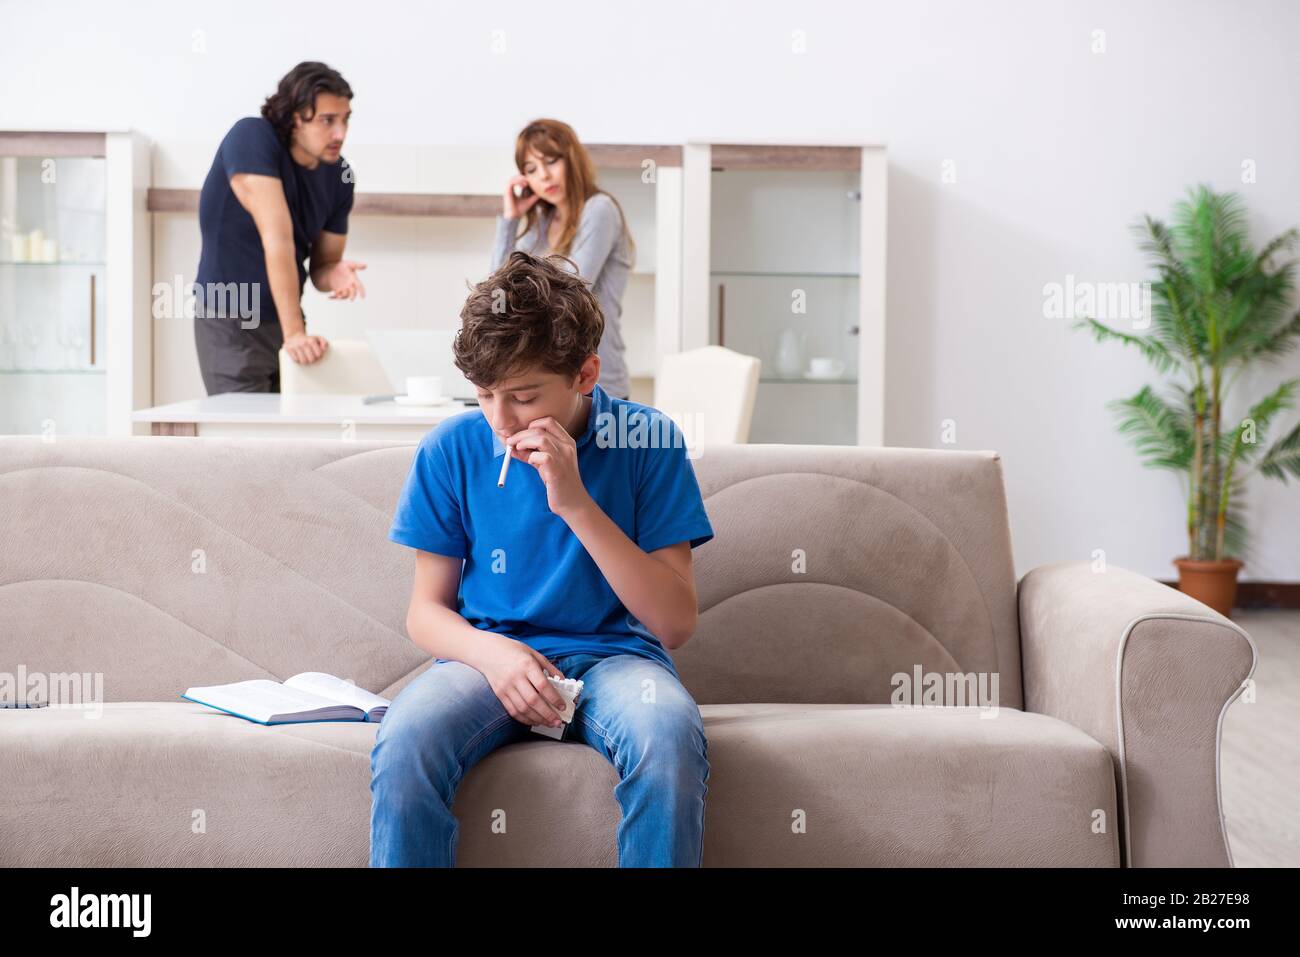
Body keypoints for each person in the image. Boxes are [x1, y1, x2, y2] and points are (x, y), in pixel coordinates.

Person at [371, 251, 714, 867]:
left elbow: (675, 623)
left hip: (620, 659)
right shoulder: (450, 449)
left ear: (585, 375)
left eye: (524, 397)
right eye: (484, 396)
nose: (501, 421)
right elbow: (426, 612)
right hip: (489, 657)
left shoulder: (648, 440)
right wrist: (492, 654)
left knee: (666, 739)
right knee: (405, 740)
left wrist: (577, 504)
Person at [192, 61, 366, 394]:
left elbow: (322, 266)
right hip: (230, 317)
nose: (340, 133)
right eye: (327, 120)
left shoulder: (340, 175)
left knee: (285, 435)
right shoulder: (251, 137)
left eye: (345, 120)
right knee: (243, 439)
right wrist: (295, 334)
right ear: (293, 117)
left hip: (282, 317)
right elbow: (278, 239)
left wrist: (336, 274)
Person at [491, 118, 635, 400]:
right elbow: (498, 293)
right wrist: (510, 220)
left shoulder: (599, 210)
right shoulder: (542, 224)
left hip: (597, 384)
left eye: (551, 161)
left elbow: (569, 289)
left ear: (572, 159)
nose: (543, 176)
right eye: (531, 169)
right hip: (553, 383)